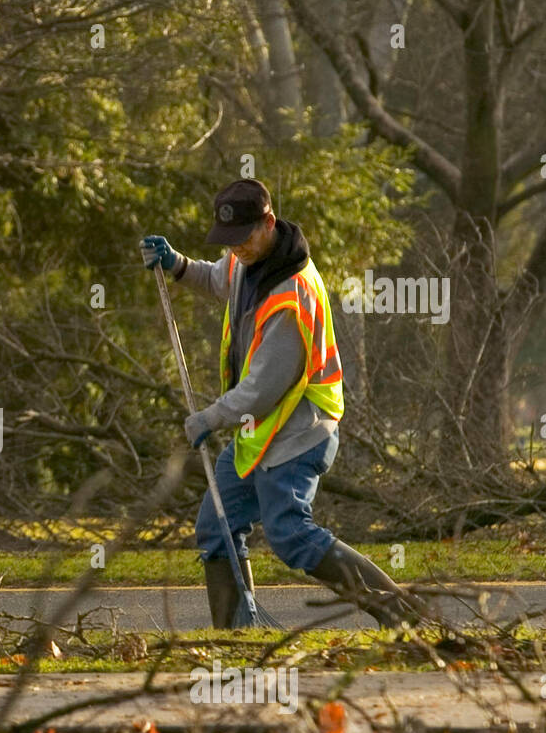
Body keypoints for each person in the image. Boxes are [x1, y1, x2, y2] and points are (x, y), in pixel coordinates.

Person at [140, 180, 422, 628]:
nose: (236, 249)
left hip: (299, 431)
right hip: (260, 432)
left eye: (244, 238)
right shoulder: (244, 262)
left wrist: (208, 419)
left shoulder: (292, 295)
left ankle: (405, 615)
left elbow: (261, 390)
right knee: (217, 525)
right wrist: (177, 265)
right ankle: (238, 631)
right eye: (229, 242)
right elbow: (218, 279)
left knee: (291, 536)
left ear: (268, 223)